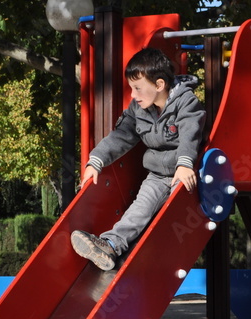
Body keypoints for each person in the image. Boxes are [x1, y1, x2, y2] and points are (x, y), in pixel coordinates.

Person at [70, 47, 205, 271]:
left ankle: (148, 260)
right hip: (157, 174)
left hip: (187, 175)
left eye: (137, 88)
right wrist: (96, 161)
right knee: (139, 209)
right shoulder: (138, 109)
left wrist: (184, 164)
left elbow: (190, 135)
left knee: (170, 216)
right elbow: (120, 136)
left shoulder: (186, 103)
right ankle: (110, 244)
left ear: (159, 85)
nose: (133, 95)